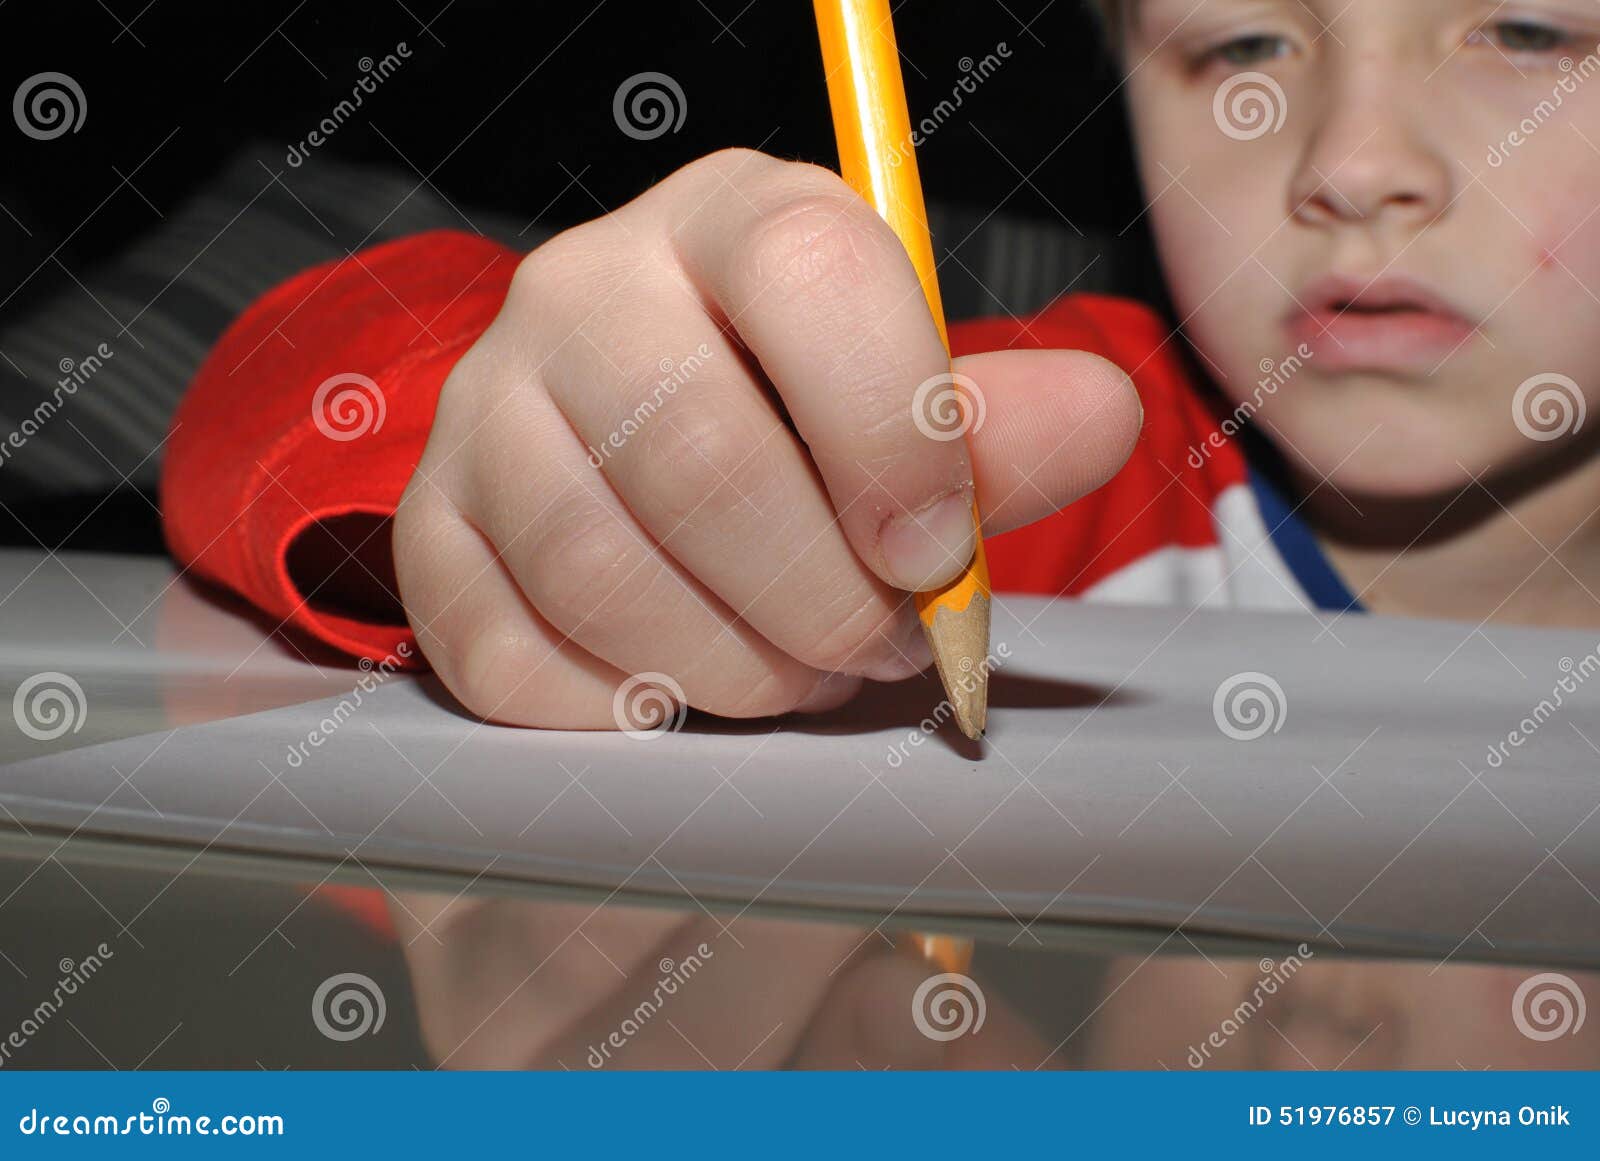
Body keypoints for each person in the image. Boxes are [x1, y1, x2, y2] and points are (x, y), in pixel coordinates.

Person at [157, 0, 1600, 1067]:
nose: (1351, 163)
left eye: (1531, 31)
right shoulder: (1001, 472)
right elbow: (289, 389)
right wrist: (537, 457)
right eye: (1240, 47)